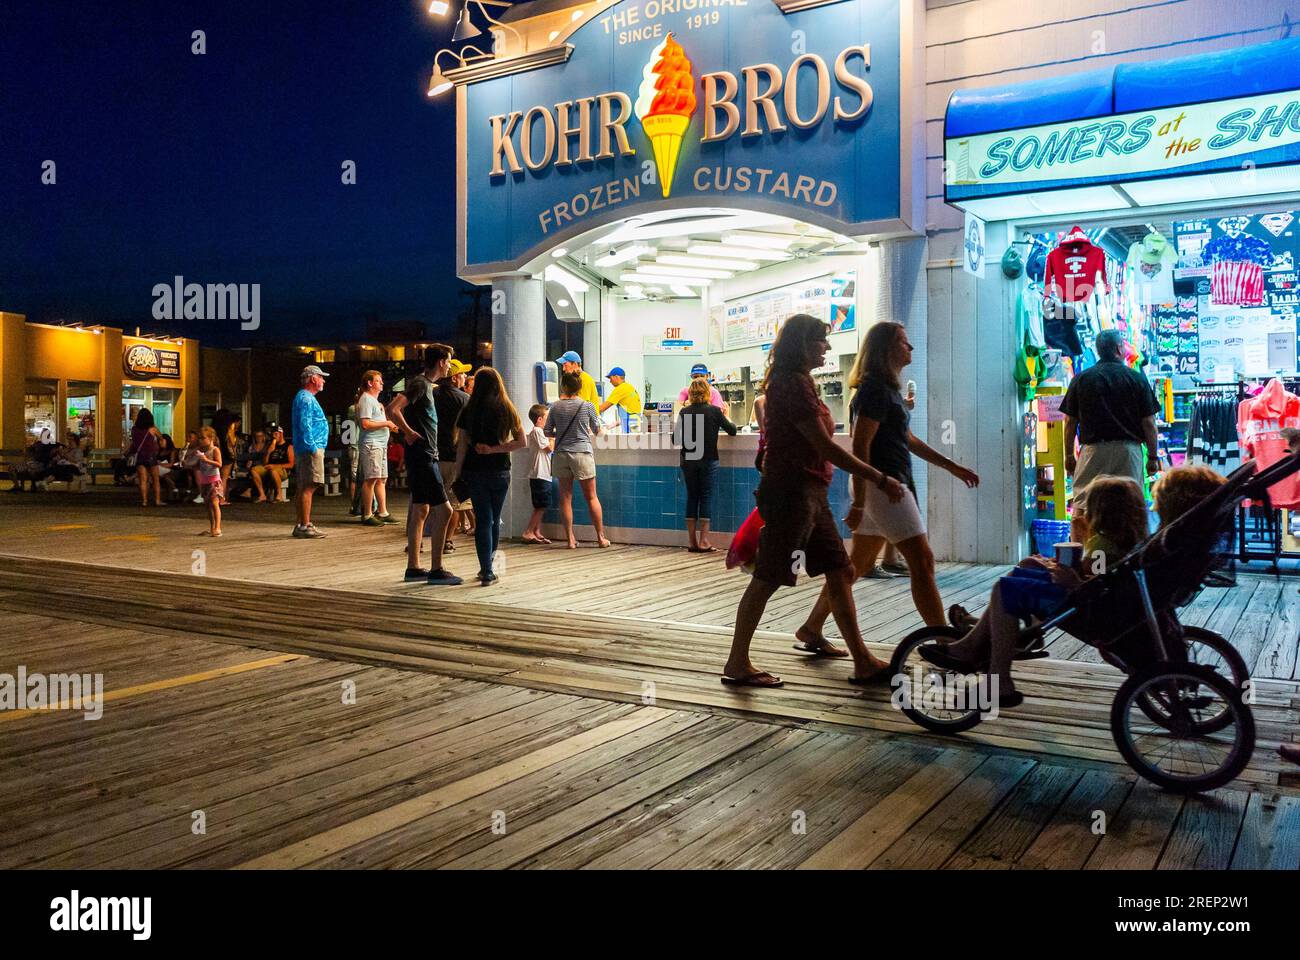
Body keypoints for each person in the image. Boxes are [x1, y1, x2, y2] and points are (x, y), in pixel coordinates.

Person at [722, 314, 906, 689]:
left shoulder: (799, 382)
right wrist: (878, 477)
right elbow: (822, 445)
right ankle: (737, 662)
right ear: (803, 345)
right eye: (821, 341)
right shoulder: (792, 385)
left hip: (811, 492)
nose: (827, 347)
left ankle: (861, 659)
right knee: (769, 576)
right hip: (791, 492)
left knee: (841, 570)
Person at [794, 322, 979, 654]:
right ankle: (943, 641)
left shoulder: (887, 390)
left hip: (882, 485)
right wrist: (862, 501)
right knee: (922, 561)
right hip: (884, 486)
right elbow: (861, 446)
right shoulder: (875, 390)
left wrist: (952, 466)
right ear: (886, 349)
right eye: (904, 343)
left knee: (859, 564)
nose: (911, 348)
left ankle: (811, 627)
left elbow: (907, 440)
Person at [923, 476, 1149, 707]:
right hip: (1094, 601)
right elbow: (1097, 577)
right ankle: (989, 637)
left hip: (1082, 604)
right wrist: (1052, 566)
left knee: (1004, 589)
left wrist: (1064, 575)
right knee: (1024, 570)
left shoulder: (1101, 545)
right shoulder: (1131, 541)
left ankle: (998, 677)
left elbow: (1090, 581)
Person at [388, 344, 461, 585]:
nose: (450, 365)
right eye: (449, 360)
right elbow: (392, 409)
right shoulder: (420, 384)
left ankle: (413, 567)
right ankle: (437, 568)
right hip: (424, 455)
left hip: (420, 455)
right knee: (446, 510)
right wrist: (407, 432)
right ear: (441, 361)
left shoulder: (427, 386)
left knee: (421, 509)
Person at [1062, 328, 1160, 503]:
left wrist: (1069, 455)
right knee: (1129, 504)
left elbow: (1070, 422)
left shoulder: (1082, 379)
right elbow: (1149, 423)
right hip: (1128, 452)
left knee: (1086, 503)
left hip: (1093, 452)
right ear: (1119, 349)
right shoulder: (1136, 379)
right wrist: (1152, 457)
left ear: (1099, 351)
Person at [449, 368, 527, 584]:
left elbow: (462, 445)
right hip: (500, 470)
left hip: (474, 471)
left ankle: (486, 569)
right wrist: (495, 449)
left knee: (483, 519)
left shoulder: (469, 410)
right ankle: (489, 567)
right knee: (494, 519)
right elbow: (522, 442)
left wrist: (458, 473)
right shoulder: (507, 408)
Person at [546, 370, 611, 549]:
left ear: (564, 387)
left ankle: (570, 540)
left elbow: (546, 432)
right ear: (579, 387)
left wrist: (559, 434)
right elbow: (597, 430)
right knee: (591, 497)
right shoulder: (587, 405)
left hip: (561, 454)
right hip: (582, 452)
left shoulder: (555, 406)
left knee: (565, 498)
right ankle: (600, 538)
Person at [677, 377, 738, 552]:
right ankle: (704, 540)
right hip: (708, 459)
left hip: (688, 460)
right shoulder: (714, 411)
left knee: (692, 497)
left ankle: (691, 541)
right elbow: (732, 431)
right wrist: (726, 415)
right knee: (705, 497)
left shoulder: (684, 413)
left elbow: (676, 438)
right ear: (707, 393)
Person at [434, 359, 471, 552]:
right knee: (454, 502)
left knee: (430, 501)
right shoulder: (464, 399)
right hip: (455, 456)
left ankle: (422, 541)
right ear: (455, 378)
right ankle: (447, 540)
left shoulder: (431, 395)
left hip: (433, 454)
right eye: (463, 374)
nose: (465, 377)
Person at [291, 364, 330, 539]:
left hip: (305, 447)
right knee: (309, 486)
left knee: (304, 486)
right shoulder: (306, 398)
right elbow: (305, 423)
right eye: (321, 377)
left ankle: (301, 523)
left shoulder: (303, 397)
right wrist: (313, 447)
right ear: (313, 378)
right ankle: (305, 525)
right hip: (309, 449)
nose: (323, 380)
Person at [356, 370, 399, 526]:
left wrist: (389, 425)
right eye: (378, 381)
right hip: (372, 444)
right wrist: (387, 424)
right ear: (370, 383)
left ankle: (383, 511)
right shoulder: (366, 399)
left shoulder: (374, 401)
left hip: (380, 444)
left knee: (381, 478)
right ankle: (367, 514)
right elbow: (365, 424)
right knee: (371, 479)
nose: (382, 383)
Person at [522, 403, 553, 544]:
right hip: (540, 474)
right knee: (541, 506)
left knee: (540, 505)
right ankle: (528, 531)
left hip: (542, 473)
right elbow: (548, 448)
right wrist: (553, 436)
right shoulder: (537, 431)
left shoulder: (538, 432)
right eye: (547, 417)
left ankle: (536, 531)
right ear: (539, 419)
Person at [126, 408, 163, 507]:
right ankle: (157, 500)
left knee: (143, 479)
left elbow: (133, 443)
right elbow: (162, 439)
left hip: (139, 456)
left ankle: (144, 501)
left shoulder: (134, 429)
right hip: (150, 455)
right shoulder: (152, 429)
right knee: (155, 479)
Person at [252, 424, 295, 503]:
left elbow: (291, 464)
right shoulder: (271, 445)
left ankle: (279, 495)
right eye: (273, 434)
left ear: (281, 434)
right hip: (269, 468)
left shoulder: (288, 446)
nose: (274, 436)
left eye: (276, 434)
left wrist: (275, 466)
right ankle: (262, 495)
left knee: (273, 470)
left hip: (282, 470)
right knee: (254, 470)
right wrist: (269, 452)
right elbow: (265, 462)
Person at [194, 426, 225, 537]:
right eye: (199, 438)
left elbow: (219, 464)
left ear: (211, 438)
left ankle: (218, 527)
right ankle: (212, 527)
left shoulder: (215, 450)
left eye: (203, 438)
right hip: (205, 480)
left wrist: (206, 460)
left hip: (214, 480)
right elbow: (199, 466)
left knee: (215, 503)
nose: (200, 440)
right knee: (207, 505)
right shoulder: (202, 451)